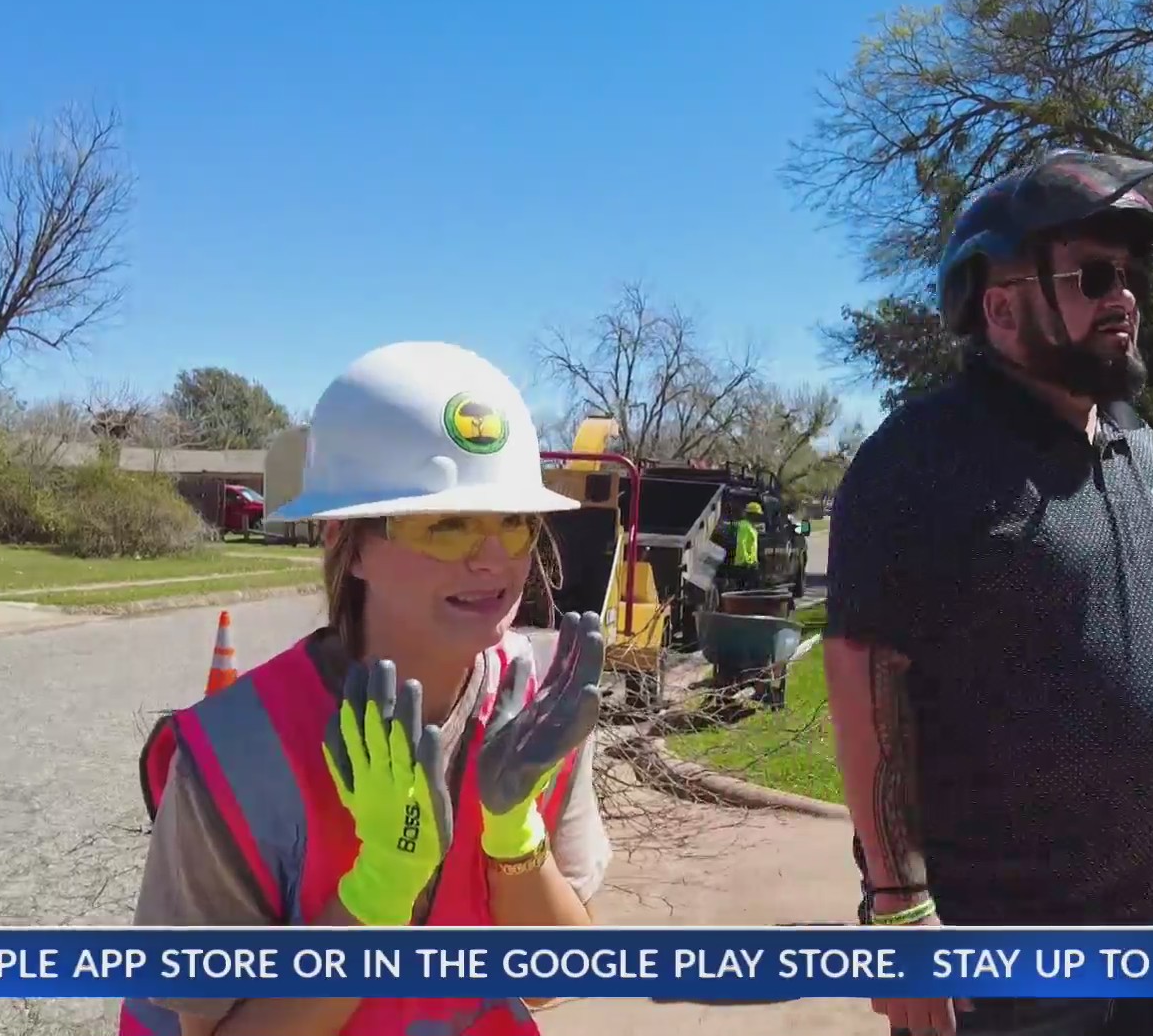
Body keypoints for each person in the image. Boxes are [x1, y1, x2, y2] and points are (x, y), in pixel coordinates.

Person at [823, 150, 1153, 1036]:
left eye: (1129, 275)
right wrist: (898, 907)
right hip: (1013, 963)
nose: (1124, 297)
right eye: (1093, 276)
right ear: (1000, 305)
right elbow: (863, 672)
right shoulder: (921, 460)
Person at [122, 341, 612, 1036]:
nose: (494, 558)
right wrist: (378, 890)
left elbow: (553, 983)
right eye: (446, 525)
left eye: (514, 522)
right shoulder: (237, 757)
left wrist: (514, 836)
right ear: (346, 543)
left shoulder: (541, 709)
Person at [728, 500, 763, 589]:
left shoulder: (750, 526)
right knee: (746, 589)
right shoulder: (744, 526)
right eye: (757, 515)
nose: (758, 518)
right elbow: (741, 543)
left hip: (750, 564)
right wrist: (746, 561)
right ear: (752, 514)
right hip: (744, 565)